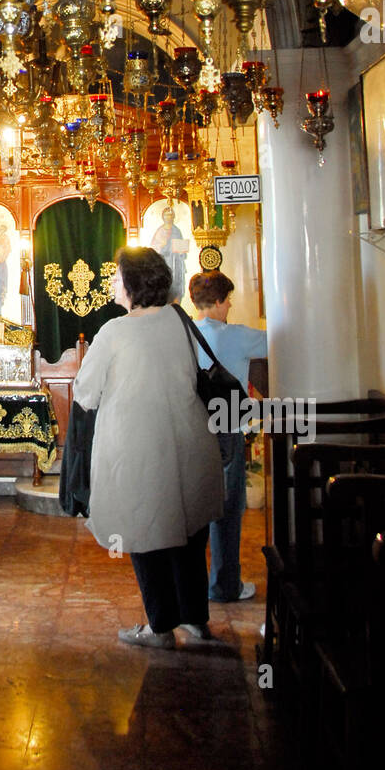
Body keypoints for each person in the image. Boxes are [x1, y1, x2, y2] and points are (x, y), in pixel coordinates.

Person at [72, 247, 225, 649]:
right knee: (189, 533)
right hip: (190, 440)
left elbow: (85, 393)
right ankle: (195, 620)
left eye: (117, 275)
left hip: (138, 449)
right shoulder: (178, 319)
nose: (111, 282)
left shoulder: (114, 332)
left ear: (133, 283)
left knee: (145, 533)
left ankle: (160, 628)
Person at [189, 270, 269, 604]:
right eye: (228, 300)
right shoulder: (237, 335)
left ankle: (190, 588)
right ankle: (224, 585)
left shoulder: (185, 335)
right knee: (227, 510)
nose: (230, 306)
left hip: (192, 431)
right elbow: (283, 340)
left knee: (193, 511)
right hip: (227, 428)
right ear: (220, 302)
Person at [150, 205, 190, 302]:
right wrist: (162, 246)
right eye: (167, 215)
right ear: (163, 217)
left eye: (170, 215)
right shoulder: (160, 231)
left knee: (176, 285)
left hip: (176, 263)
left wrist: (182, 252)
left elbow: (181, 247)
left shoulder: (177, 230)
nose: (169, 217)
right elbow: (154, 249)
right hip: (165, 262)